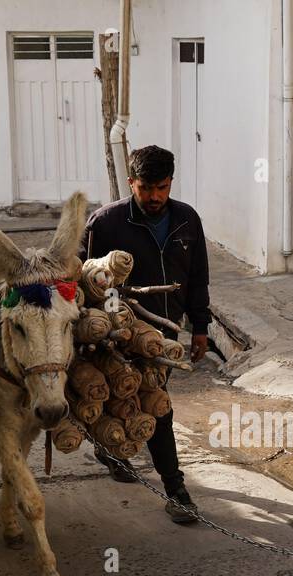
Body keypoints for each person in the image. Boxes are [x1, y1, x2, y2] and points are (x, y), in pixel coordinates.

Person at [80, 145, 211, 525]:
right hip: (118, 334)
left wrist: (200, 327)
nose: (155, 197)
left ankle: (114, 452)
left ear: (171, 184)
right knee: (152, 404)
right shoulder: (105, 224)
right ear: (131, 182)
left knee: (150, 400)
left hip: (166, 337)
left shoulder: (188, 220)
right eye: (146, 188)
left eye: (163, 188)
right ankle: (176, 490)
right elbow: (85, 277)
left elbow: (199, 276)